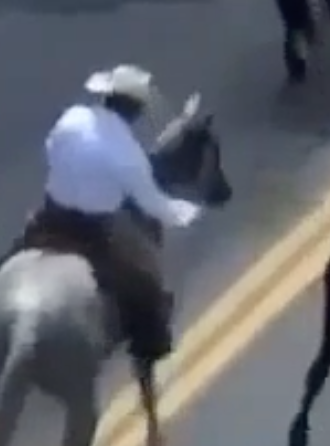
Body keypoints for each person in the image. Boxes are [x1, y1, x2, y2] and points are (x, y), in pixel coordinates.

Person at [10, 64, 203, 364]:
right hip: (95, 228)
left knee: (17, 251)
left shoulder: (72, 117)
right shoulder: (127, 155)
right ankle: (151, 340)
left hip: (53, 213)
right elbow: (152, 202)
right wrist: (186, 213)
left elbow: (50, 150)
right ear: (135, 110)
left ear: (106, 96)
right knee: (146, 278)